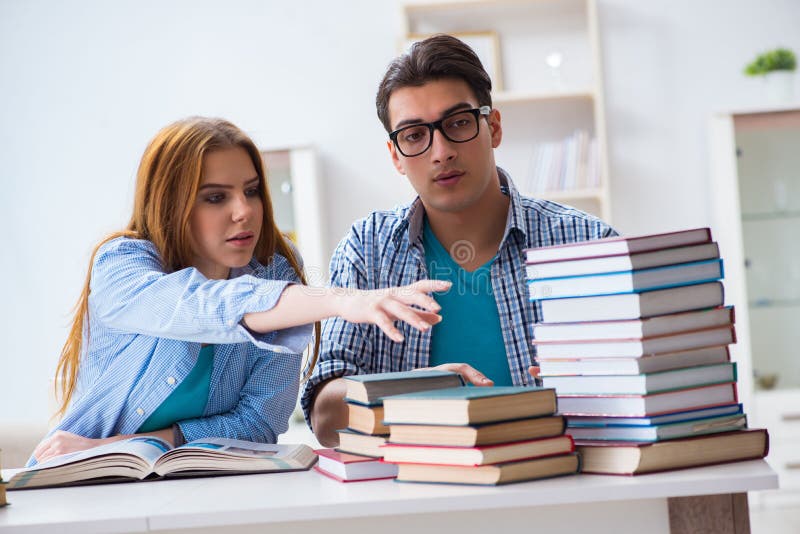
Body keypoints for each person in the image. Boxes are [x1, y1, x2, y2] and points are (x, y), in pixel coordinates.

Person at [30, 117, 449, 465]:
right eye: (215, 197)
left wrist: (135, 444)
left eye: (251, 191)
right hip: (79, 481)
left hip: (206, 492)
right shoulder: (121, 266)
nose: (244, 211)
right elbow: (199, 305)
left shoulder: (278, 272)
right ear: (169, 203)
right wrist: (340, 300)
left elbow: (258, 423)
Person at [302, 34, 617, 447]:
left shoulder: (587, 243)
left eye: (458, 123)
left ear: (494, 127)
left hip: (564, 489)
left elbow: (638, 393)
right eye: (415, 135)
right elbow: (325, 417)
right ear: (396, 155)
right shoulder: (367, 251)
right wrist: (418, 388)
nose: (442, 151)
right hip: (416, 499)